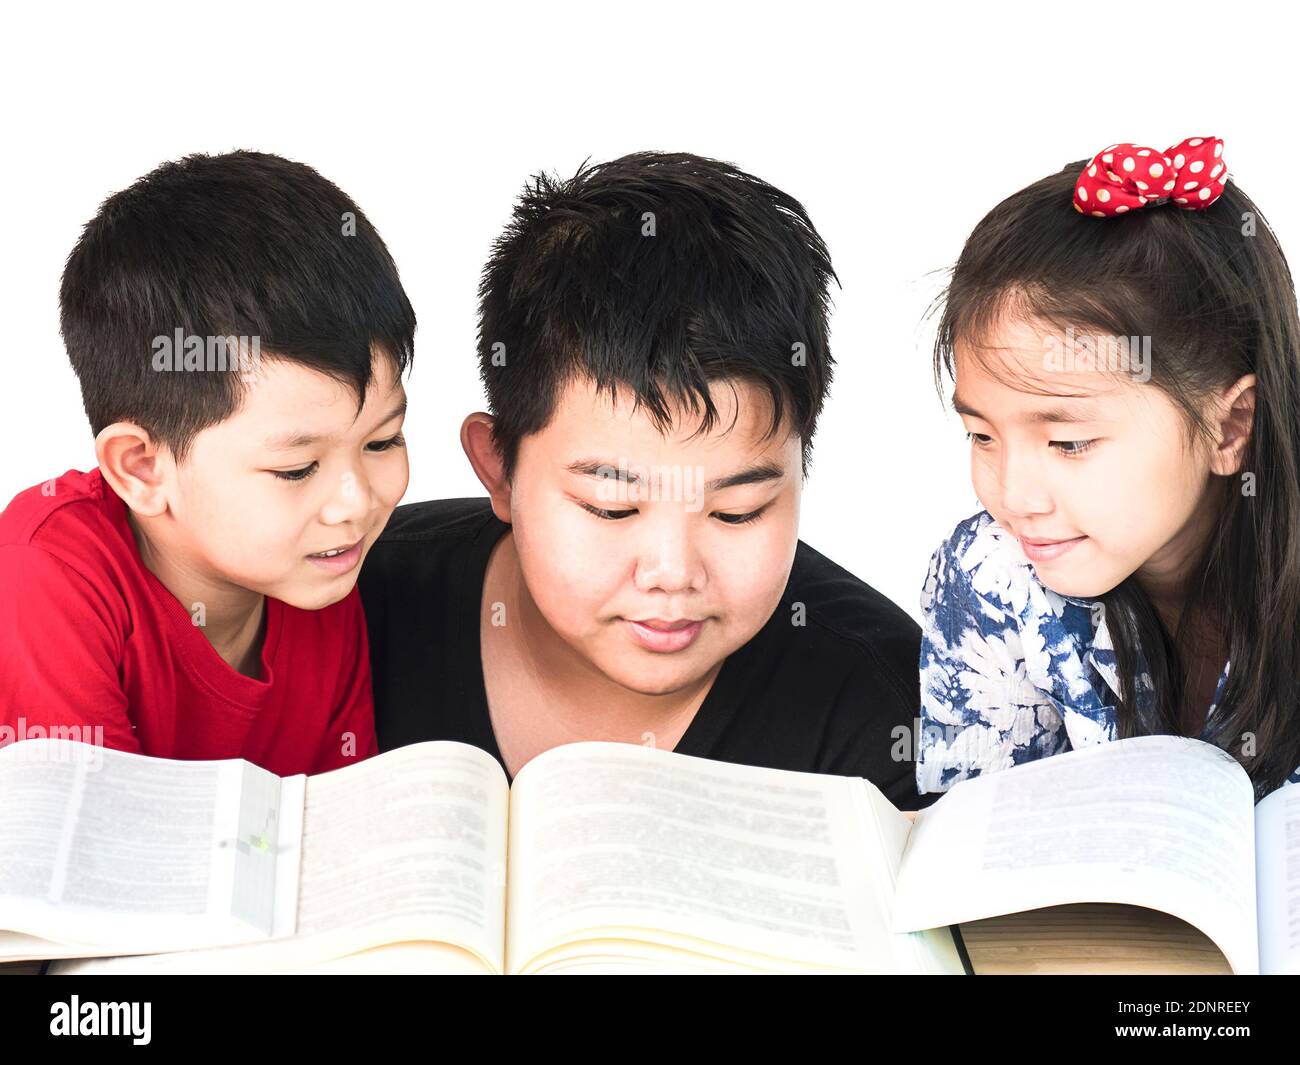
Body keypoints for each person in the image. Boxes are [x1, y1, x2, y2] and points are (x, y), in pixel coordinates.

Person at [360, 151, 936, 809]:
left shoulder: (886, 715)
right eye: (611, 506)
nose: (671, 571)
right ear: (498, 468)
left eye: (738, 509)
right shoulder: (351, 606)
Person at [0, 150, 415, 776]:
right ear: (141, 467)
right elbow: (93, 856)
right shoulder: (47, 575)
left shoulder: (320, 583)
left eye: (382, 442)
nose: (354, 503)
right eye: (297, 469)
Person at [917, 136, 1300, 801]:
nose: (1012, 495)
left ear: (1230, 426)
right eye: (981, 433)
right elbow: (974, 853)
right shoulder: (992, 575)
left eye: (1069, 444)